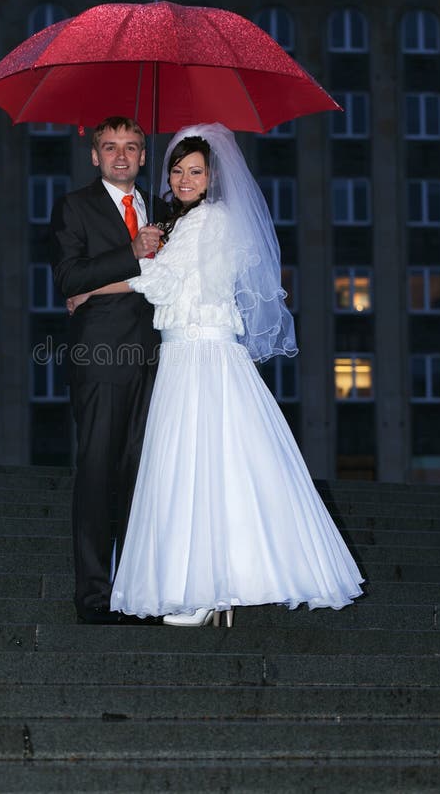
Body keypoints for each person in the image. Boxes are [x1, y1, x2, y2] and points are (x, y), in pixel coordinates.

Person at [70, 123, 364, 627]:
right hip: (183, 356)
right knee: (195, 471)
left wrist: (93, 288)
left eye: (196, 172)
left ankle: (208, 590)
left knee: (202, 469)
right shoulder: (183, 223)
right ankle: (206, 589)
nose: (184, 180)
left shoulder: (210, 220)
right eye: (178, 171)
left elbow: (160, 283)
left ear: (213, 178)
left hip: (200, 356)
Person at [49, 116, 165, 624]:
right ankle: (95, 596)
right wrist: (131, 254)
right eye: (111, 147)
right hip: (100, 355)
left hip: (160, 357)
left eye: (132, 147)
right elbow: (68, 278)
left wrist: (100, 286)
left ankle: (137, 592)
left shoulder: (164, 209)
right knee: (98, 470)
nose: (121, 156)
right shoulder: (74, 206)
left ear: (143, 156)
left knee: (143, 474)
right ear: (95, 156)